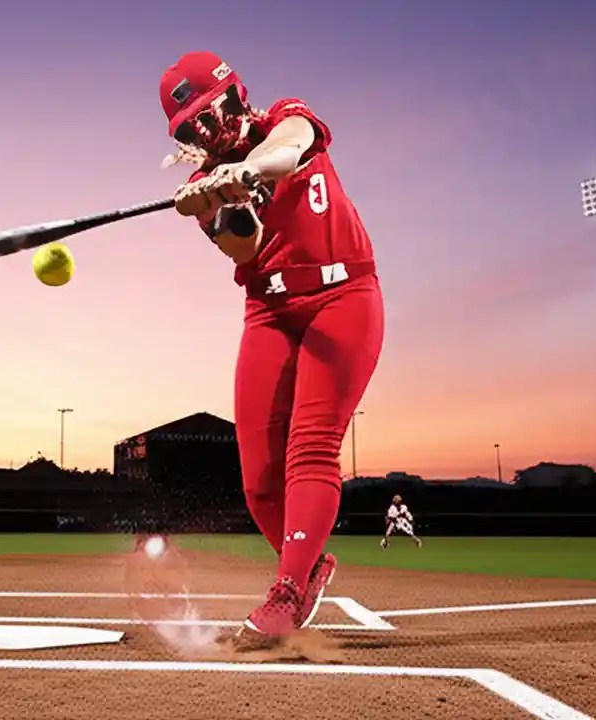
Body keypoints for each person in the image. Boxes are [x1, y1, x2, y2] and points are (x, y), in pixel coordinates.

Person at [159, 51, 385, 644]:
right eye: (192, 128)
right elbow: (244, 246)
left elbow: (287, 149)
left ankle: (285, 592)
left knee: (311, 448)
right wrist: (215, 204)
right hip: (270, 310)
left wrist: (247, 172)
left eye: (213, 111)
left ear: (237, 93)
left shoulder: (286, 115)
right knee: (259, 476)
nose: (207, 130)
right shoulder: (199, 182)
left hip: (344, 297)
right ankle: (308, 566)